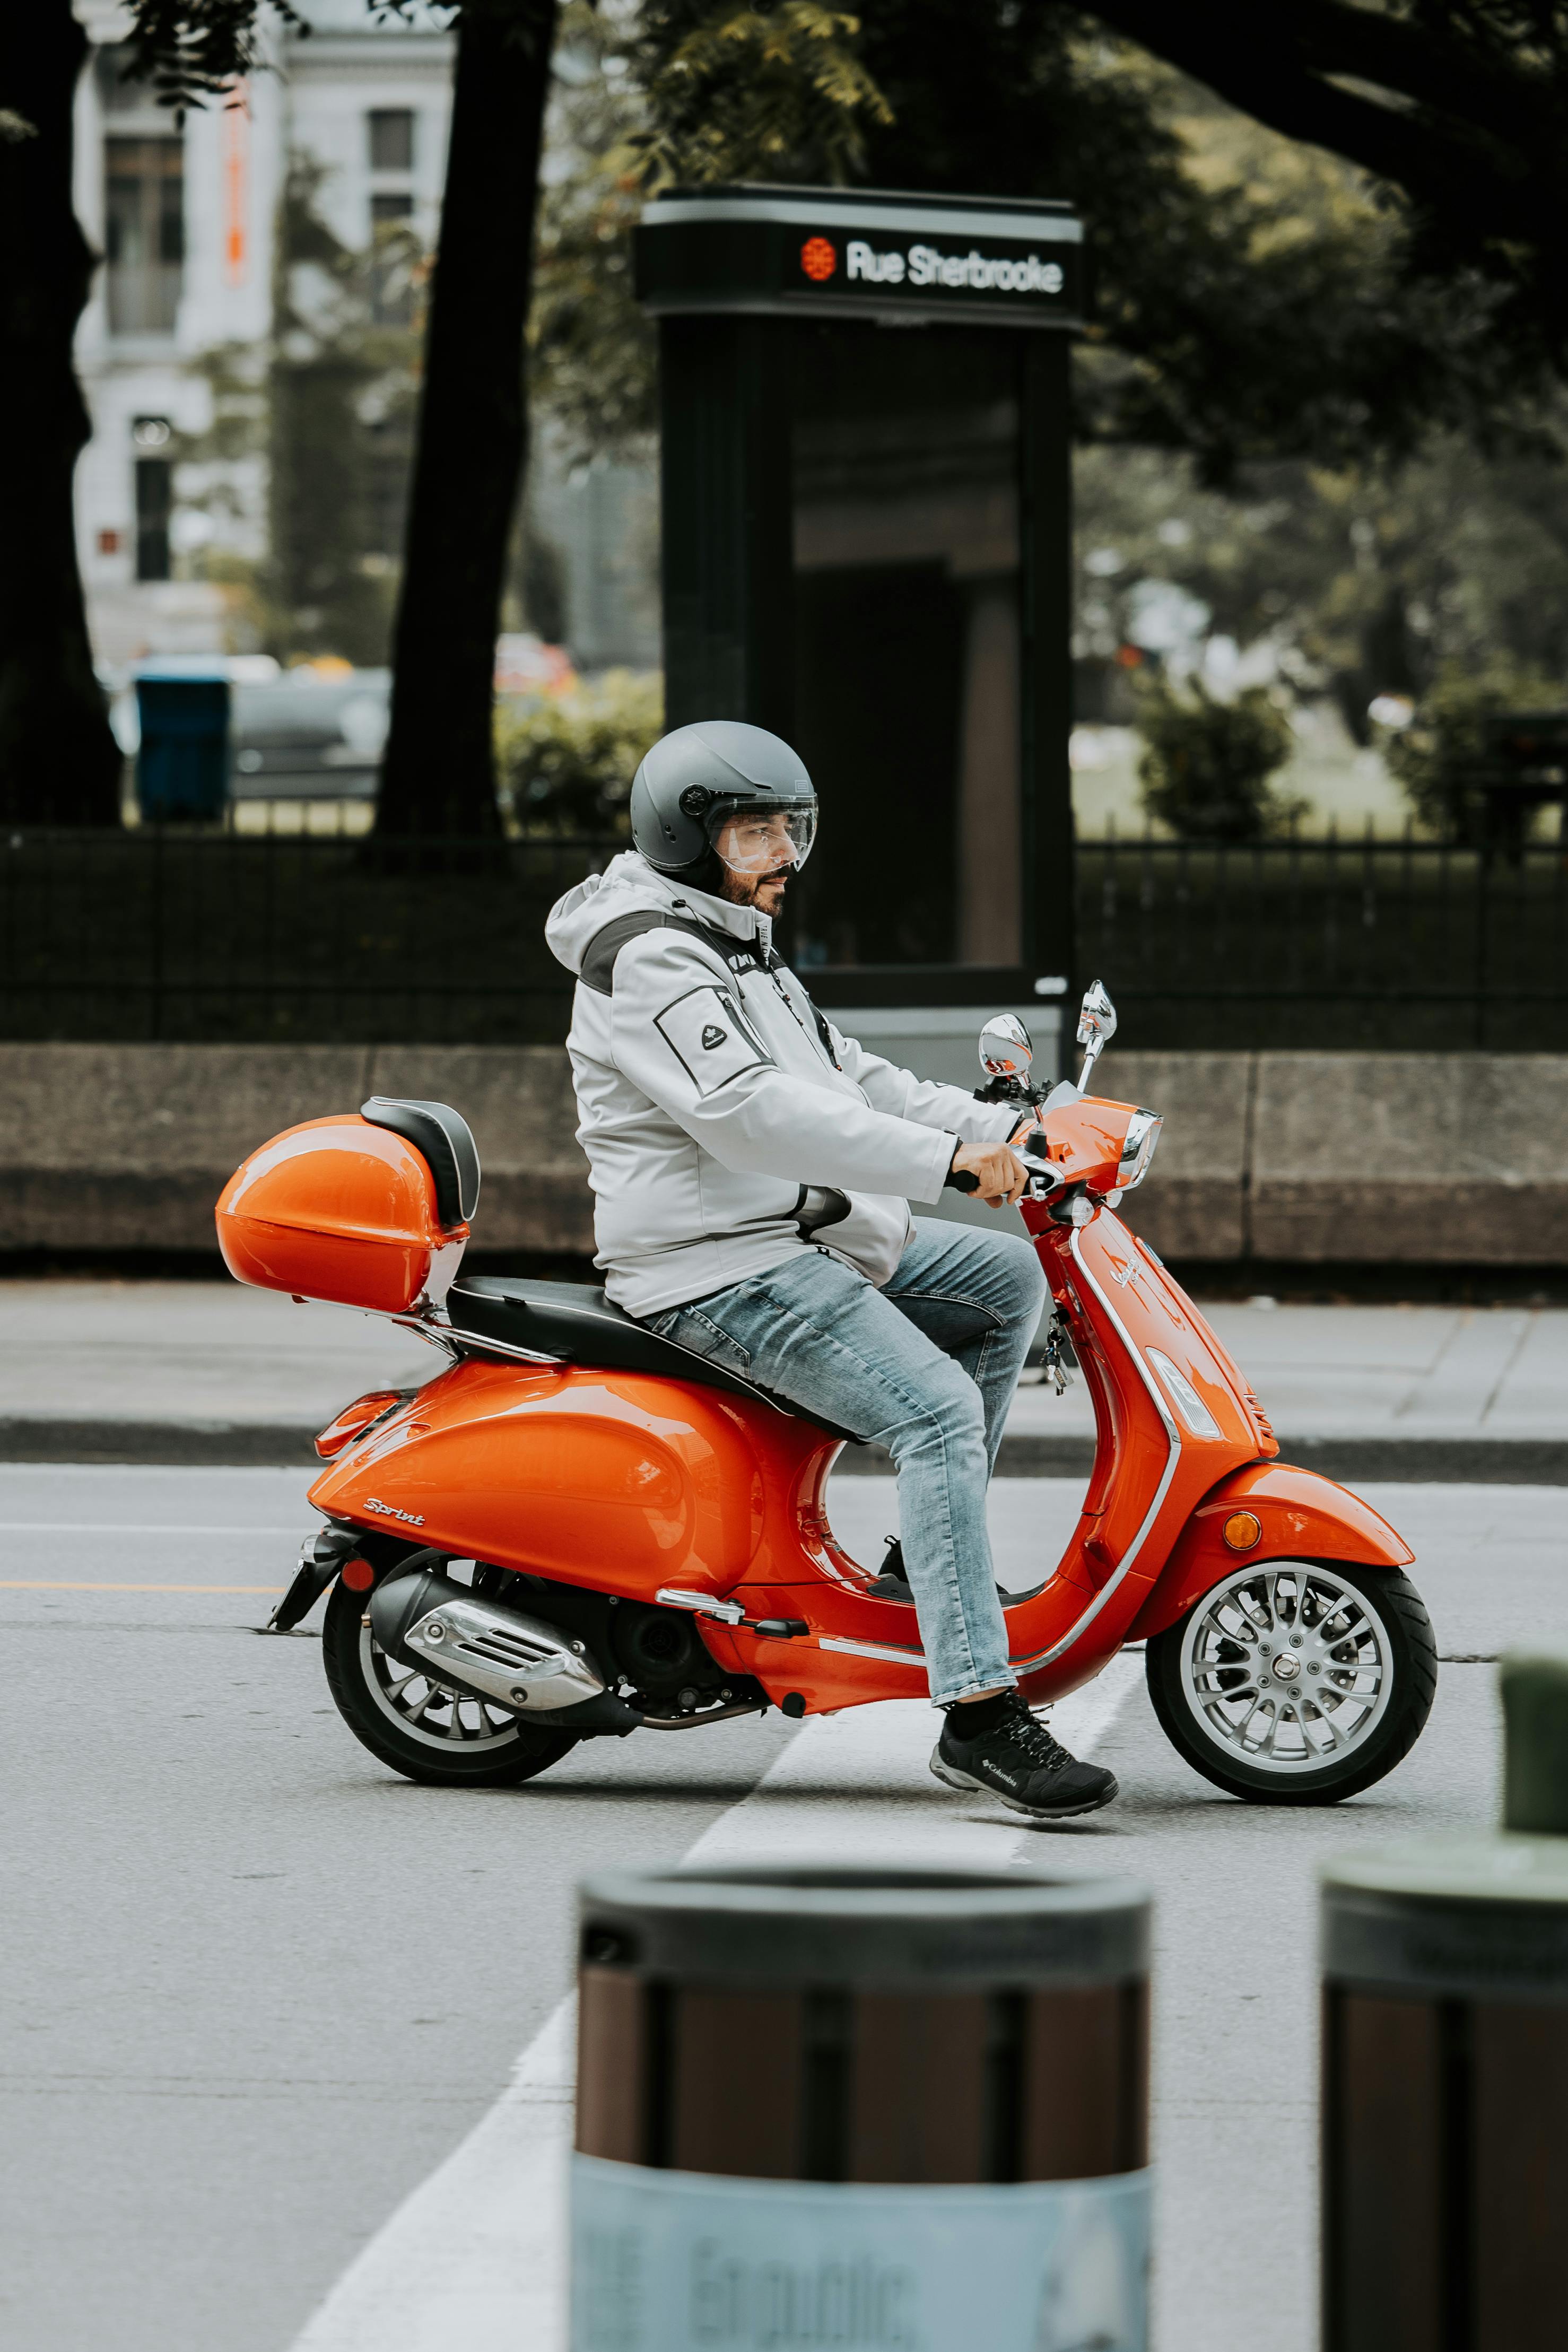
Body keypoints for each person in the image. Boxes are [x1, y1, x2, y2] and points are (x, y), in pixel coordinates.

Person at [545, 719, 1117, 1819]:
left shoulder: (727, 939)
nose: (782, 855)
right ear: (687, 836)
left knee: (1002, 1286)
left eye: (790, 830)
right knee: (937, 1414)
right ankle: (978, 1714)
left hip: (795, 1234)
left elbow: (849, 1075)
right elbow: (750, 1115)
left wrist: (1013, 1124)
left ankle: (918, 1571)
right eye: (755, 832)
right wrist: (945, 1163)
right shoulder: (654, 955)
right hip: (713, 1264)